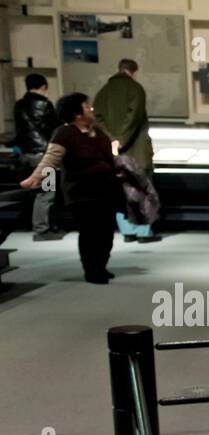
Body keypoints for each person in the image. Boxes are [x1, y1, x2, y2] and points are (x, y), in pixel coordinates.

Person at [20, 92, 123, 284]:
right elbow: (51, 158)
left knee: (106, 232)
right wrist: (35, 178)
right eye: (87, 106)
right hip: (81, 192)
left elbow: (111, 155)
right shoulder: (64, 133)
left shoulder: (98, 132)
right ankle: (92, 270)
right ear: (77, 113)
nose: (91, 109)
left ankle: (101, 265)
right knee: (90, 233)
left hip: (105, 190)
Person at [94, 58, 158, 243]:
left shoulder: (103, 92)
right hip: (136, 150)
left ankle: (127, 231)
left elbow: (97, 118)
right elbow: (134, 116)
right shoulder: (136, 89)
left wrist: (111, 139)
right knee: (143, 190)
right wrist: (121, 139)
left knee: (122, 191)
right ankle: (143, 232)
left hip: (114, 154)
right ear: (134, 71)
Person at [14, 73, 63, 241]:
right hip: (44, 156)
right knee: (47, 193)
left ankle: (40, 225)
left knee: (36, 193)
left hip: (26, 155)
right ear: (43, 87)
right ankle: (42, 229)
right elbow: (55, 129)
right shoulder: (45, 105)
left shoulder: (18, 105)